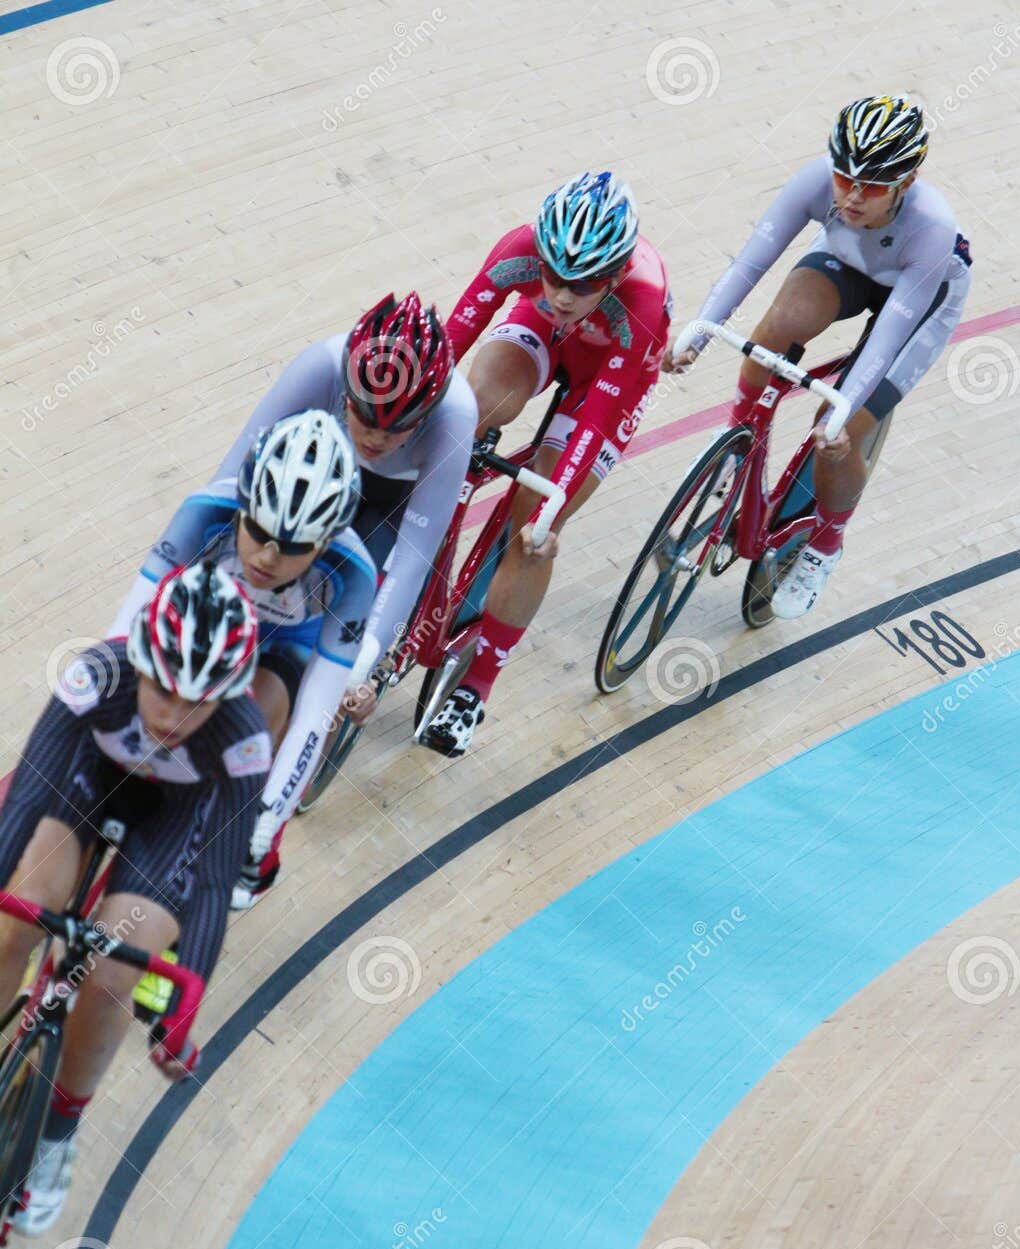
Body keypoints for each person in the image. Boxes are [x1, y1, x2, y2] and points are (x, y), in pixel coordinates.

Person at [0, 562, 266, 1234]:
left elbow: (213, 881)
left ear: (229, 695)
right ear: (141, 662)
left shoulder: (244, 741)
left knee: (116, 973)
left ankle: (57, 1133)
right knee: (19, 911)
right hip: (84, 785)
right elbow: (28, 798)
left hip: (171, 823)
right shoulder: (99, 675)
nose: (175, 717)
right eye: (164, 691)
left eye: (199, 703)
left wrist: (183, 1007)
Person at [668, 95, 972, 618]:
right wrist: (697, 333)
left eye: (870, 187)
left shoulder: (932, 228)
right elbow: (750, 264)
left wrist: (840, 414)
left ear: (906, 182)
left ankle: (826, 546)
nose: (851, 196)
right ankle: (737, 446)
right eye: (843, 178)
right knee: (777, 327)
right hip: (847, 260)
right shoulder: (814, 182)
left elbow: (886, 338)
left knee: (836, 433)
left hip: (920, 297)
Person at [421, 169, 673, 757]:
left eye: (581, 284)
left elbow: (598, 417)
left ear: (614, 274)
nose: (562, 294)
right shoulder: (519, 250)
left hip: (609, 380)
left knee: (536, 522)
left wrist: (548, 508)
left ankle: (475, 689)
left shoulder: (642, 298)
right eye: (553, 275)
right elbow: (452, 344)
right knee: (471, 406)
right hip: (541, 337)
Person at [109, 410, 380, 906]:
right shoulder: (204, 513)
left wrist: (271, 812)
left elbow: (314, 717)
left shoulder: (353, 573)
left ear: (326, 541)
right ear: (241, 505)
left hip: (294, 641)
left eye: (294, 546)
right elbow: (127, 632)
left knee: (258, 717)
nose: (267, 558)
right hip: (214, 615)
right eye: (256, 529)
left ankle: (250, 836)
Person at [215, 290, 476, 713]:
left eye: (396, 430)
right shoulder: (321, 365)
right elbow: (232, 480)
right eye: (365, 418)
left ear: (425, 416)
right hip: (318, 474)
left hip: (394, 498)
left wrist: (363, 661)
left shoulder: (455, 416)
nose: (376, 439)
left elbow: (413, 557)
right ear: (347, 394)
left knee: (356, 601)